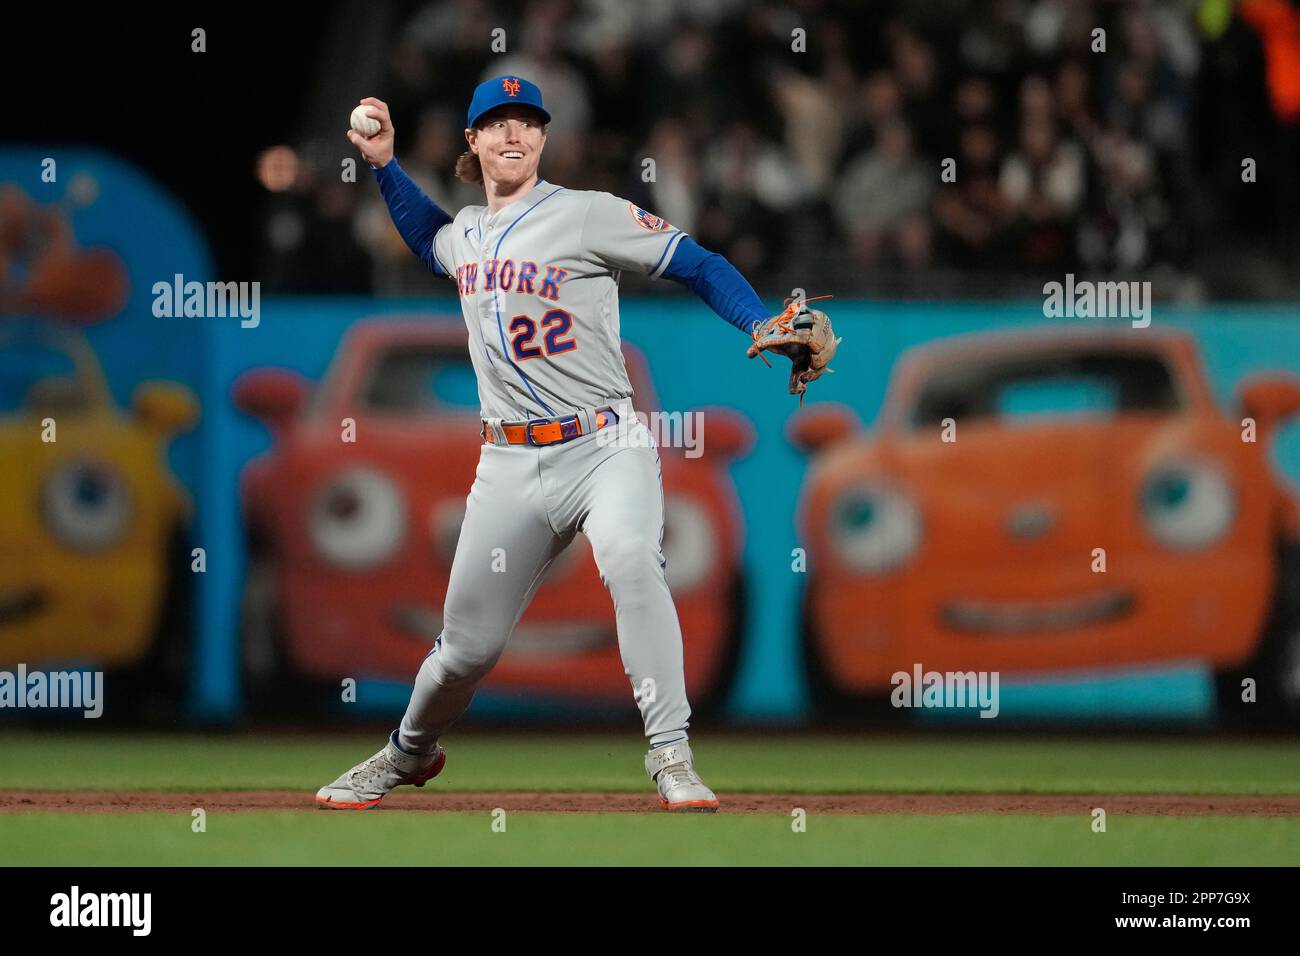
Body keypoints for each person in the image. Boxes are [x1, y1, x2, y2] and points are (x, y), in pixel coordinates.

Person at [315, 75, 775, 812]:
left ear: (544, 138)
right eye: (496, 123)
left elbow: (697, 263)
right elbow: (428, 237)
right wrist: (384, 165)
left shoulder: (586, 215)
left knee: (630, 557)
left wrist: (757, 322)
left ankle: (671, 754)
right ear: (473, 141)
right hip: (507, 462)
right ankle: (408, 751)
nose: (513, 135)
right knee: (465, 650)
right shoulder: (465, 233)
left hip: (605, 444)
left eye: (527, 123)